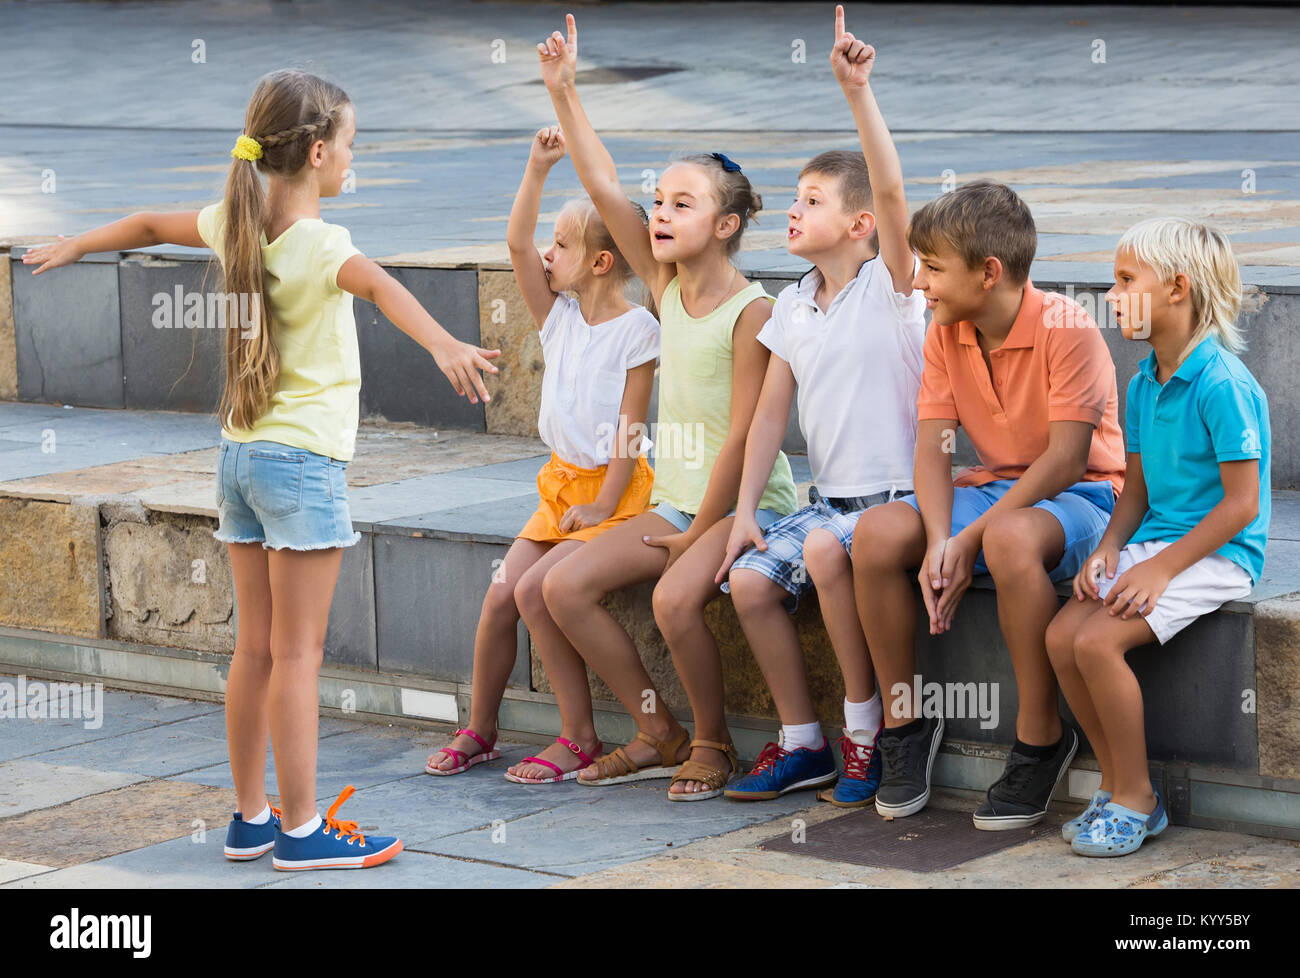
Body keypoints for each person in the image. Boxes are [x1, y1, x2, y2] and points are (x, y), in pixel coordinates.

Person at [24, 68, 500, 869]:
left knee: (255, 649)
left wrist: (76, 243)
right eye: (351, 145)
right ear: (317, 152)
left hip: (239, 457)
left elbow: (144, 221)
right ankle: (304, 831)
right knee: (300, 656)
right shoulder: (319, 243)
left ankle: (250, 818)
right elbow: (382, 288)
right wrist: (446, 344)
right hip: (303, 464)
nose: (355, 160)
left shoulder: (232, 221)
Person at [530, 14, 799, 796]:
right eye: (659, 202)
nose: (659, 214)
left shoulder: (752, 311)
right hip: (677, 501)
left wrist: (698, 536)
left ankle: (712, 743)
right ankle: (659, 730)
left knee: (678, 598)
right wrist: (565, 91)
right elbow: (601, 184)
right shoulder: (665, 288)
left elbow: (747, 433)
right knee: (560, 585)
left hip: (743, 501)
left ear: (726, 225)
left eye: (682, 205)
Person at [850, 179, 1126, 828]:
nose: (919, 282)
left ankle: (1039, 737)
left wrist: (970, 541)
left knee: (1006, 540)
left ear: (989, 272)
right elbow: (931, 449)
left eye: (934, 268)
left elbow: (1064, 459)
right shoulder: (947, 331)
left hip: (1083, 493)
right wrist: (942, 536)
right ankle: (906, 724)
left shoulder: (1067, 326)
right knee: (878, 533)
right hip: (1000, 486)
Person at [717, 6, 926, 807]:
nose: (794, 212)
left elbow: (897, 191)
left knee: (832, 554)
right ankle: (804, 741)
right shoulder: (791, 308)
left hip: (896, 502)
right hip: (828, 503)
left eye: (812, 200)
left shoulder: (893, 288)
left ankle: (866, 730)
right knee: (747, 580)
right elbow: (770, 417)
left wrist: (857, 93)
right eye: (795, 200)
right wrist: (742, 510)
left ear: (860, 225)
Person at [423, 126, 661, 784]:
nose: (547, 255)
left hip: (615, 491)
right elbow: (514, 242)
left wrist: (605, 503)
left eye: (564, 245)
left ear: (603, 262)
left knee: (535, 591)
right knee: (502, 593)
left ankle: (578, 734)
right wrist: (537, 169)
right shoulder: (557, 316)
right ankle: (482, 726)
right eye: (551, 244)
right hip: (560, 486)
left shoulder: (637, 331)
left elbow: (630, 429)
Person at [1046, 218, 1268, 856]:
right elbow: (1136, 494)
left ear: (1176, 288)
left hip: (1219, 552)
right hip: (1160, 543)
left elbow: (1243, 506)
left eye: (1123, 281)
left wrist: (1160, 569)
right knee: (1061, 635)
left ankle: (1138, 797)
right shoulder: (1143, 382)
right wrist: (1111, 549)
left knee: (1096, 642)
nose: (1111, 295)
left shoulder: (1222, 384)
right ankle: (1116, 784)